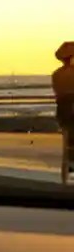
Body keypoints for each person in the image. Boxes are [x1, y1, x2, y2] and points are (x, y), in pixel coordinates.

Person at [54, 42, 74, 181]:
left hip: (62, 110)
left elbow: (59, 93)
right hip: (70, 109)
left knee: (67, 146)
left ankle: (65, 179)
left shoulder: (56, 74)